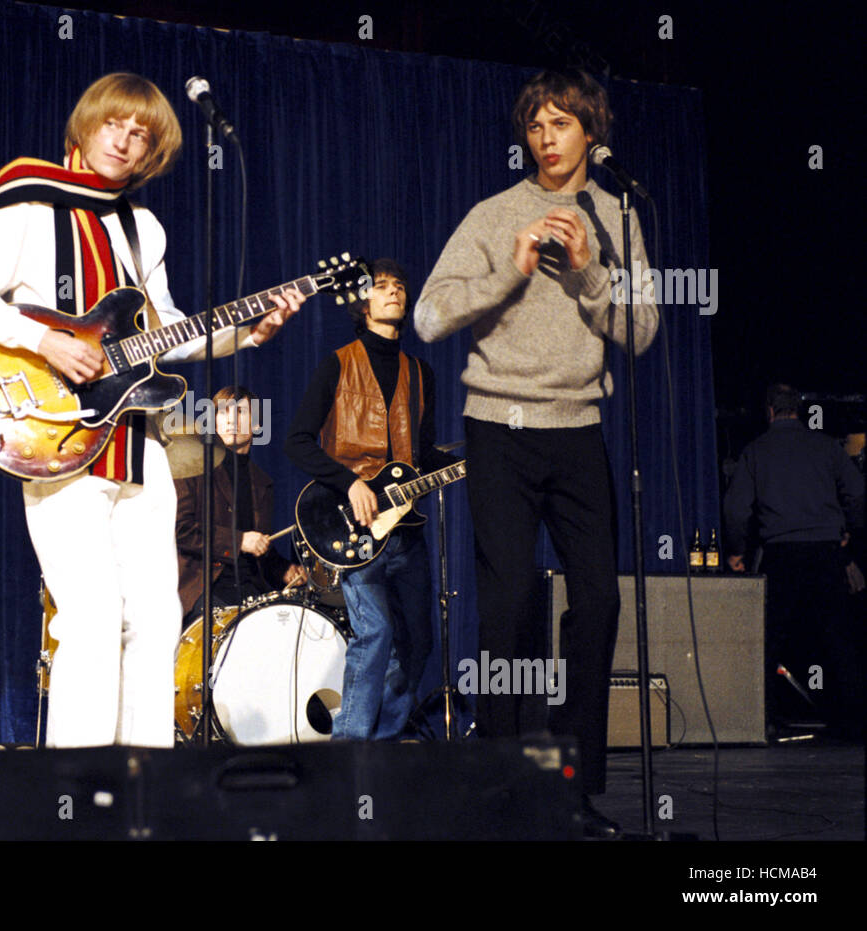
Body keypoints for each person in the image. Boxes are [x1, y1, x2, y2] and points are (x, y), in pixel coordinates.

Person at [0, 73, 303, 748]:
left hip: (139, 441)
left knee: (159, 616)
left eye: (142, 135)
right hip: (55, 436)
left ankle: (144, 780)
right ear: (86, 125)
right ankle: (79, 786)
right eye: (115, 125)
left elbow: (170, 330)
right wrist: (43, 339)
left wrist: (249, 329)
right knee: (93, 616)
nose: (126, 142)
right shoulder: (29, 205)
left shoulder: (144, 227)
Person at [413, 70, 659, 836]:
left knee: (599, 599)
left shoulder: (616, 212)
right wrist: (508, 270)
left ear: (592, 131)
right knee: (511, 599)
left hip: (579, 428)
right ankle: (501, 781)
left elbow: (641, 330)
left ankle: (572, 787)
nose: (545, 137)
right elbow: (427, 315)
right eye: (536, 125)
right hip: (499, 427)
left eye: (561, 123)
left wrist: (589, 267)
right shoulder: (494, 214)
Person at [285, 258, 438, 741]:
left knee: (417, 641)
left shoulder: (421, 372)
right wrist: (349, 482)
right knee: (374, 636)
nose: (393, 292)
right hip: (351, 527)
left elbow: (424, 454)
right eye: (382, 286)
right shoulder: (337, 363)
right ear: (363, 302)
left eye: (400, 286)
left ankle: (382, 742)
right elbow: (297, 441)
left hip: (406, 530)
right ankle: (349, 752)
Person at [723, 383, 865, 737]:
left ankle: (763, 721)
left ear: (769, 411)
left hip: (782, 554)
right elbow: (858, 491)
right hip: (826, 552)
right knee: (839, 641)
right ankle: (851, 724)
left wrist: (738, 550)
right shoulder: (826, 447)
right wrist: (850, 531)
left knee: (770, 643)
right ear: (798, 411)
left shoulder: (756, 451)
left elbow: (736, 509)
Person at [175, 385, 308, 623]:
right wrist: (239, 541)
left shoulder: (262, 481)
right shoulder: (192, 468)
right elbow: (180, 530)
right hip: (204, 587)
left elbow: (260, 546)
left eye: (241, 413)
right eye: (224, 412)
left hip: (250, 588)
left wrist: (285, 570)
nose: (231, 420)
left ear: (257, 424)